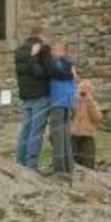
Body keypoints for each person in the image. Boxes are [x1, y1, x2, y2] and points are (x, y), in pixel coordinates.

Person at [13, 27, 53, 170]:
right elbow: (41, 73)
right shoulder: (42, 49)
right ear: (41, 35)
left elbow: (20, 73)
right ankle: (31, 164)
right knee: (36, 131)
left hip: (26, 96)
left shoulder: (19, 51)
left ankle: (19, 162)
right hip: (40, 95)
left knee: (25, 129)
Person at [46, 43, 78, 177]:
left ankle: (59, 167)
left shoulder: (56, 64)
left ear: (63, 51)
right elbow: (74, 81)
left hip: (57, 100)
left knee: (57, 135)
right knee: (65, 134)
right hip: (67, 101)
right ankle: (68, 165)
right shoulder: (70, 65)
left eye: (57, 49)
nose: (54, 52)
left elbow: (55, 73)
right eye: (53, 49)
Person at [71, 79, 105, 170]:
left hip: (87, 136)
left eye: (87, 89)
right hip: (73, 135)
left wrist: (89, 101)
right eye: (81, 89)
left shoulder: (93, 103)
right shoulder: (73, 100)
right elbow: (68, 115)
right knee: (72, 160)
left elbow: (98, 118)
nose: (83, 92)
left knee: (88, 161)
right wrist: (76, 100)